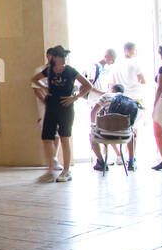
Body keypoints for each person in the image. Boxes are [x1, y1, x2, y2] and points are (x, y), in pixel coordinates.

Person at [31, 46, 97, 182]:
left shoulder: (70, 70)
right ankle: (50, 168)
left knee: (64, 137)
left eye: (64, 56)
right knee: (47, 137)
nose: (63, 58)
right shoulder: (49, 70)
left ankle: (66, 170)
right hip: (51, 105)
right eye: (60, 56)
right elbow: (35, 79)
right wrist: (45, 87)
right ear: (55, 57)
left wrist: (75, 97)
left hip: (66, 106)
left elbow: (88, 85)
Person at [111, 42, 147, 169]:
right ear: (128, 50)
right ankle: (132, 156)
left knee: (123, 127)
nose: (135, 52)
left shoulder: (117, 65)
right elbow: (143, 80)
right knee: (134, 129)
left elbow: (114, 82)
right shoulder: (135, 64)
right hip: (135, 98)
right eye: (134, 50)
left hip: (122, 99)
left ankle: (122, 155)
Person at [89, 83, 140, 172]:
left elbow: (93, 111)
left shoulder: (106, 96)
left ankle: (101, 162)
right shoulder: (128, 99)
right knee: (131, 131)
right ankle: (131, 161)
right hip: (125, 136)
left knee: (91, 135)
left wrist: (93, 125)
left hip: (106, 134)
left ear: (112, 90)